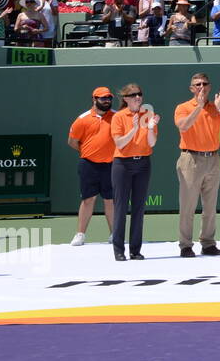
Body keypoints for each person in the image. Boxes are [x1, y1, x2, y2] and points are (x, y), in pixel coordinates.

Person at [173, 72, 220, 257]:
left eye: (204, 83)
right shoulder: (183, 107)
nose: (201, 87)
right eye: (197, 84)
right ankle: (185, 245)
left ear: (209, 87)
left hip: (213, 159)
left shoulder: (215, 108)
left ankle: (208, 243)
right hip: (190, 159)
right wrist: (198, 107)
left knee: (210, 206)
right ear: (192, 88)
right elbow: (183, 125)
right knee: (188, 206)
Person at [109, 82, 158, 261]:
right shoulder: (119, 117)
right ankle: (118, 250)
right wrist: (135, 129)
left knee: (139, 208)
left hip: (143, 164)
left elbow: (152, 143)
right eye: (134, 95)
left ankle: (135, 250)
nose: (138, 97)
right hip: (122, 165)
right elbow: (120, 143)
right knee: (121, 208)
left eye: (140, 94)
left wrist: (150, 127)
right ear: (126, 99)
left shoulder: (148, 115)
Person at [66, 86, 117, 245]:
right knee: (88, 199)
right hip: (89, 165)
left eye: (109, 98)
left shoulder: (116, 116)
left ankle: (115, 234)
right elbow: (72, 142)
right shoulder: (82, 119)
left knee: (110, 200)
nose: (106, 101)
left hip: (111, 165)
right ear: (94, 100)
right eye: (103, 98)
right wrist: (89, 152)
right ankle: (80, 234)